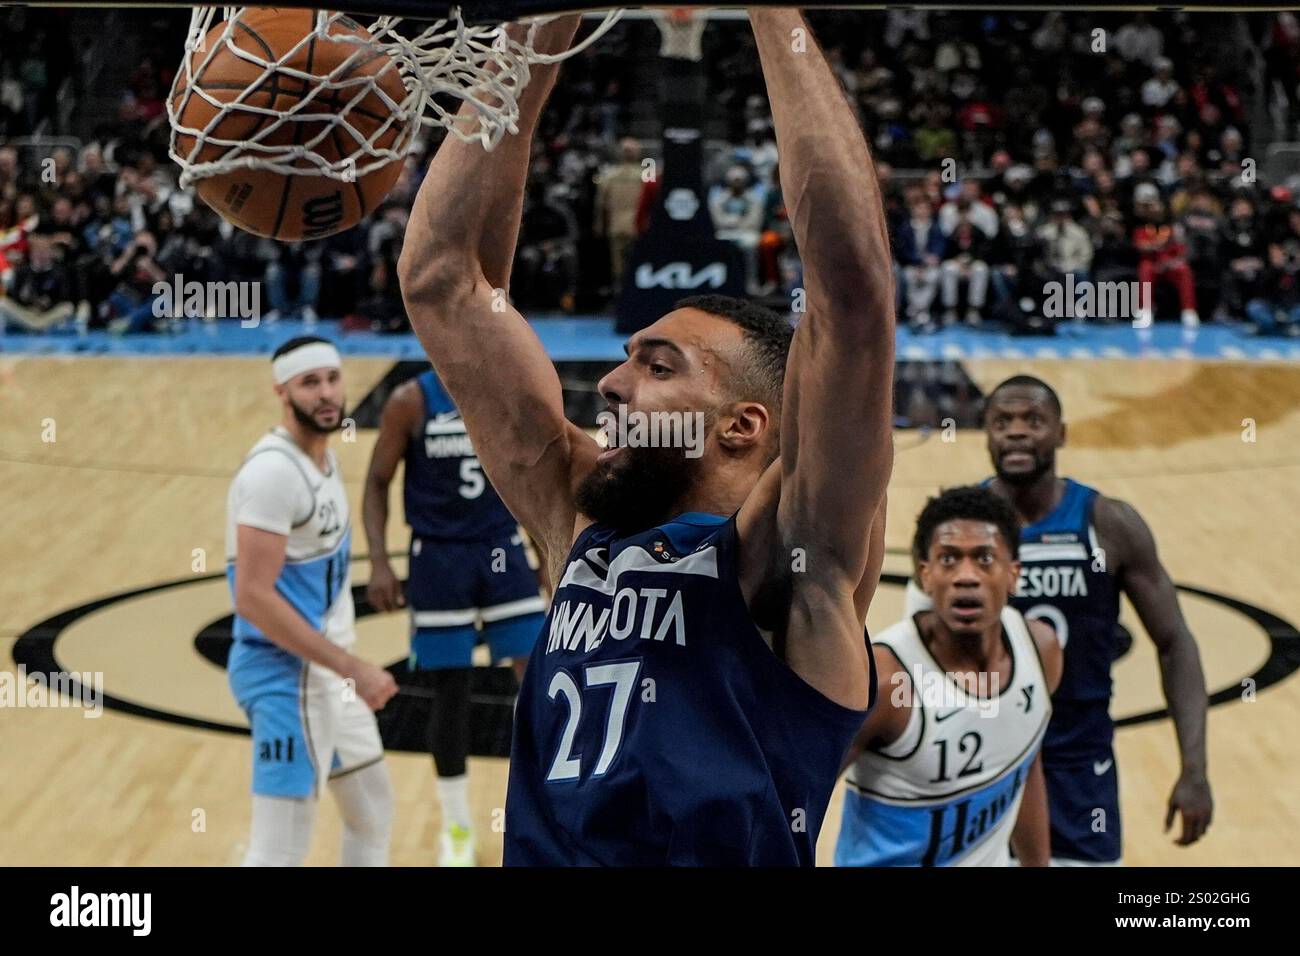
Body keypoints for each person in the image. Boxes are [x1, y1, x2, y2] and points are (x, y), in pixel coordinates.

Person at [398, 9, 893, 866]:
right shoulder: (578, 521)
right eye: (628, 359)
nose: (613, 383)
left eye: (659, 367)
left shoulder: (793, 556)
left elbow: (851, 286)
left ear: (744, 424)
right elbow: (442, 279)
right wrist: (539, 31)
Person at [909, 375, 1213, 864]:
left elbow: (1175, 642)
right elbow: (919, 653)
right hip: (980, 763)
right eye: (1002, 422)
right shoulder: (958, 533)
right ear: (986, 434)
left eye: (1033, 420)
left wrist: (1194, 768)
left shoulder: (1109, 524)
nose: (1017, 431)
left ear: (1062, 433)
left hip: (1078, 770)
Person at [363, 366, 547, 866]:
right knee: (451, 690)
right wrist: (379, 560)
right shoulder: (410, 401)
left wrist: (543, 550)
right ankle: (457, 824)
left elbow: (527, 479)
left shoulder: (505, 392)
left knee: (538, 681)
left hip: (500, 548)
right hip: (439, 556)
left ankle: (546, 806)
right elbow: (377, 480)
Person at [225, 336, 397, 866]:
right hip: (287, 677)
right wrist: (353, 668)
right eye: (309, 383)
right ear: (282, 392)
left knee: (372, 812)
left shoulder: (321, 461)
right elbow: (253, 597)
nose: (326, 394)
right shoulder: (273, 474)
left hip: (324, 676)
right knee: (278, 852)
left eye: (332, 379)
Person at [837, 486, 1062, 866]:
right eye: (949, 559)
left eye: (984, 559)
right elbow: (796, 799)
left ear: (1014, 574)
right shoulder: (885, 683)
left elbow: (1023, 761)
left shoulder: (1041, 650)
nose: (966, 577)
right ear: (925, 575)